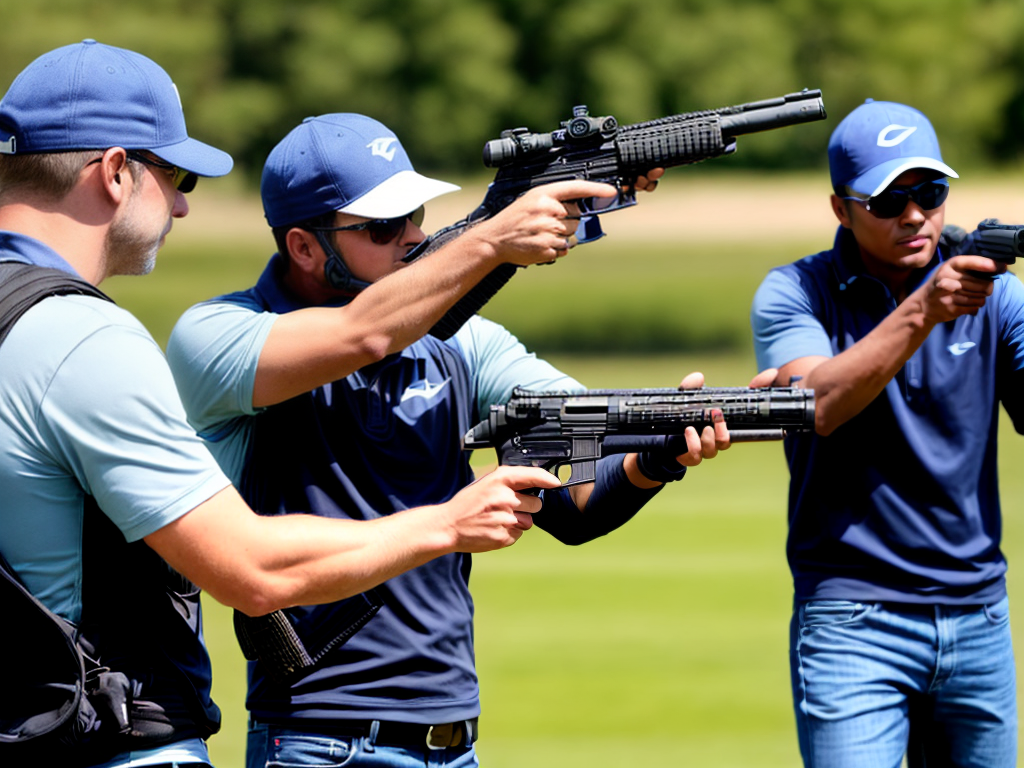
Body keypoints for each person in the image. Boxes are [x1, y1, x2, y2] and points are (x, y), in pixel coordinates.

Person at [0, 41, 567, 768]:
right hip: (103, 743)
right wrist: (446, 523)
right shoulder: (86, 337)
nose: (181, 203)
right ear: (114, 172)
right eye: (175, 177)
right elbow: (250, 569)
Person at [165, 112, 749, 768]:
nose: (414, 236)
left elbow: (575, 506)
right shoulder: (221, 336)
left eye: (415, 214)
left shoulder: (463, 342)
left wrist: (658, 454)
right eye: (384, 226)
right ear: (303, 247)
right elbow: (362, 335)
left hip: (452, 738)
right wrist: (493, 239)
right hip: (316, 738)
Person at [750, 98, 1024, 768]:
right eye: (887, 200)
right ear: (841, 209)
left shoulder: (997, 295)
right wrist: (923, 310)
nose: (914, 215)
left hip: (979, 615)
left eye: (930, 193)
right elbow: (819, 404)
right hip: (852, 619)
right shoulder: (795, 292)